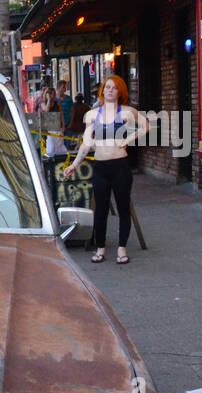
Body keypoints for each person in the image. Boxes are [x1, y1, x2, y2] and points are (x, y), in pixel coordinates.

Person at [63, 75, 149, 265]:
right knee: (100, 210)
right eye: (107, 87)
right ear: (102, 91)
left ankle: (121, 248)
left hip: (120, 166)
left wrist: (128, 140)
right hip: (100, 167)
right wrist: (75, 164)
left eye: (114, 88)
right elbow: (86, 144)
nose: (110, 90)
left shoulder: (127, 112)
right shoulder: (93, 114)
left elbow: (146, 126)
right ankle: (100, 248)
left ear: (120, 92)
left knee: (123, 208)